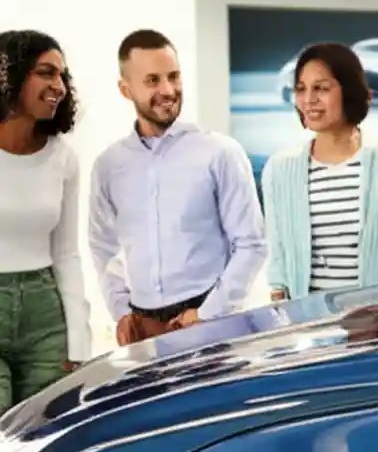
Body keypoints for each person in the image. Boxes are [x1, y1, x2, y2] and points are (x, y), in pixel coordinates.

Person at [88, 29, 267, 346]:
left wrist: (207, 314)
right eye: (153, 80)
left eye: (174, 76)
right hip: (142, 331)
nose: (168, 90)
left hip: (209, 324)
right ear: (125, 89)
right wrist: (122, 312)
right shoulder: (108, 165)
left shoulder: (220, 153)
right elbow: (104, 247)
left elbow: (251, 244)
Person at [261, 41, 378, 301]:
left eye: (321, 88)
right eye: (301, 89)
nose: (309, 100)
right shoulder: (279, 169)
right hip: (309, 326)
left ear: (349, 91)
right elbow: (279, 254)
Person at [0, 30, 93, 410]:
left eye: (62, 77)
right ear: (10, 76)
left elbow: (67, 254)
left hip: (45, 315)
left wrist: (79, 343)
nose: (58, 86)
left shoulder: (63, 158)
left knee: (45, 434)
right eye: (46, 73)